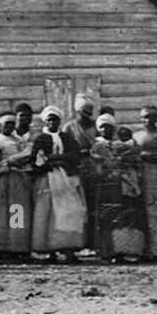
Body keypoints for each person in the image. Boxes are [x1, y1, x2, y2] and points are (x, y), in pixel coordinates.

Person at [29, 106, 87, 261]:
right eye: (49, 120)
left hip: (66, 178)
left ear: (59, 121)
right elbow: (37, 159)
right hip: (48, 178)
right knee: (48, 212)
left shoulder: (67, 137)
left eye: (55, 120)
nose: (52, 123)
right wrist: (51, 161)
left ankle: (69, 249)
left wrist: (57, 158)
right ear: (45, 122)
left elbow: (76, 155)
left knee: (70, 211)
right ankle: (50, 250)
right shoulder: (41, 139)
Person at [93, 117, 146, 262]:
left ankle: (126, 250)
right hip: (107, 186)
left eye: (109, 127)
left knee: (125, 217)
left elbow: (135, 162)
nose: (106, 130)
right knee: (108, 218)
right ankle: (108, 252)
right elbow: (97, 168)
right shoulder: (97, 146)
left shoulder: (122, 145)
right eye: (102, 127)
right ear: (99, 129)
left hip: (124, 186)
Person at [0, 114, 33, 262]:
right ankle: (2, 250)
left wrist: (23, 161)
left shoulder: (19, 141)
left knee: (17, 211)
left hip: (19, 180)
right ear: (0, 126)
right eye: (6, 124)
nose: (9, 127)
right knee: (2, 214)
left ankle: (17, 247)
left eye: (12, 124)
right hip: (3, 182)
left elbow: (27, 158)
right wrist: (9, 163)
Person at [64, 95, 99, 247]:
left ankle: (93, 242)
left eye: (89, 113)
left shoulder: (96, 126)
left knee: (95, 205)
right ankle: (79, 242)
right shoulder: (69, 127)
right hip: (76, 168)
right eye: (83, 113)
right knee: (78, 206)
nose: (86, 117)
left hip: (95, 167)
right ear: (77, 111)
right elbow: (65, 149)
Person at [133, 106, 157, 259]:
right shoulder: (136, 136)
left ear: (156, 118)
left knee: (156, 210)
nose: (147, 120)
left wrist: (151, 156)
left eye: (150, 116)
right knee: (141, 211)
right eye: (144, 117)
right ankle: (142, 248)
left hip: (156, 173)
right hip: (139, 174)